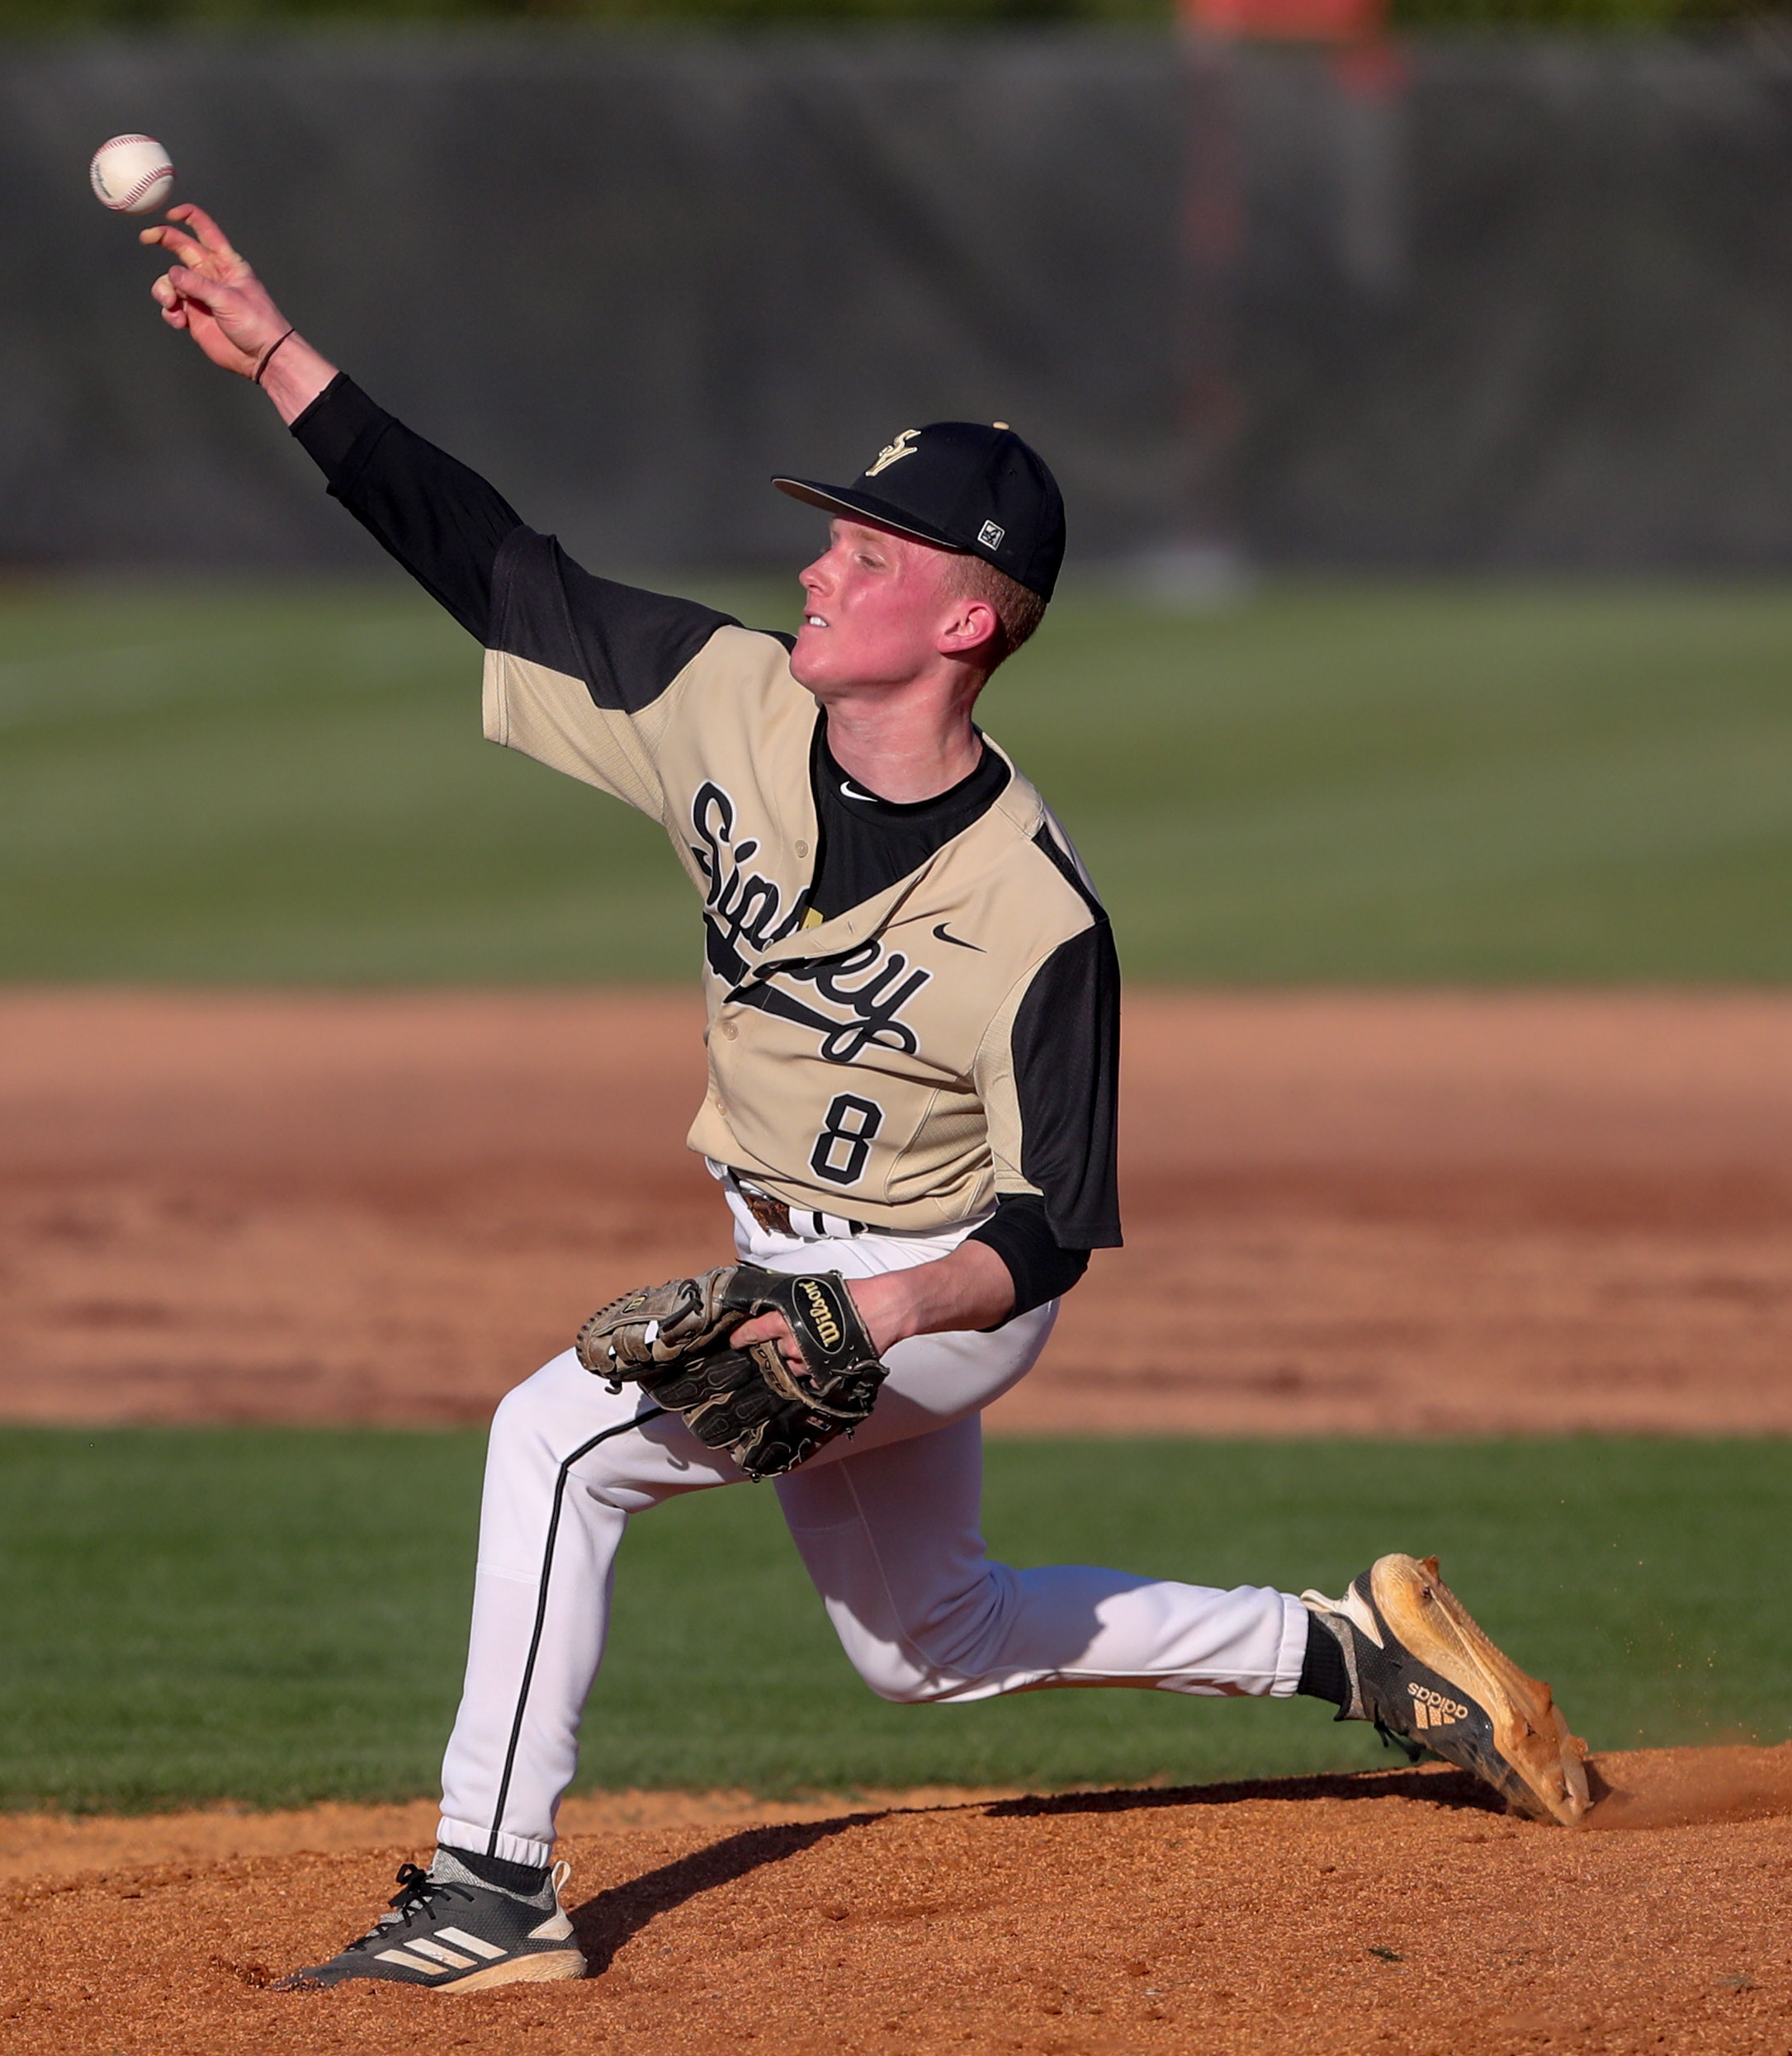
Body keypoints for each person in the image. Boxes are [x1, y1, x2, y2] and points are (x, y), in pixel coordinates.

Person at [141, 203, 1592, 1992]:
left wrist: (866, 1312)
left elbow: (1053, 1224)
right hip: (782, 1248)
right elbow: (493, 563)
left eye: (871, 549)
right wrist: (284, 357)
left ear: (967, 617)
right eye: (834, 533)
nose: (822, 565)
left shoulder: (1034, 913)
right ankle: (1349, 1649)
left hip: (934, 1290)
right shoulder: (721, 697)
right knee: (930, 1641)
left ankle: (493, 1892)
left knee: (558, 1443)